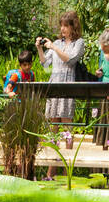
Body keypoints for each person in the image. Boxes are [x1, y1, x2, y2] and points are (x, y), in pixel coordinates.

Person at [36, 10, 84, 179]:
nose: (63, 29)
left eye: (66, 26)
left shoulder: (78, 43)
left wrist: (54, 47)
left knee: (67, 126)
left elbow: (69, 60)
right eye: (61, 25)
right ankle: (51, 171)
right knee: (53, 127)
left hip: (67, 84)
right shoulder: (56, 42)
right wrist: (40, 48)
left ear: (73, 26)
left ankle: (66, 170)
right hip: (54, 84)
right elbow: (45, 65)